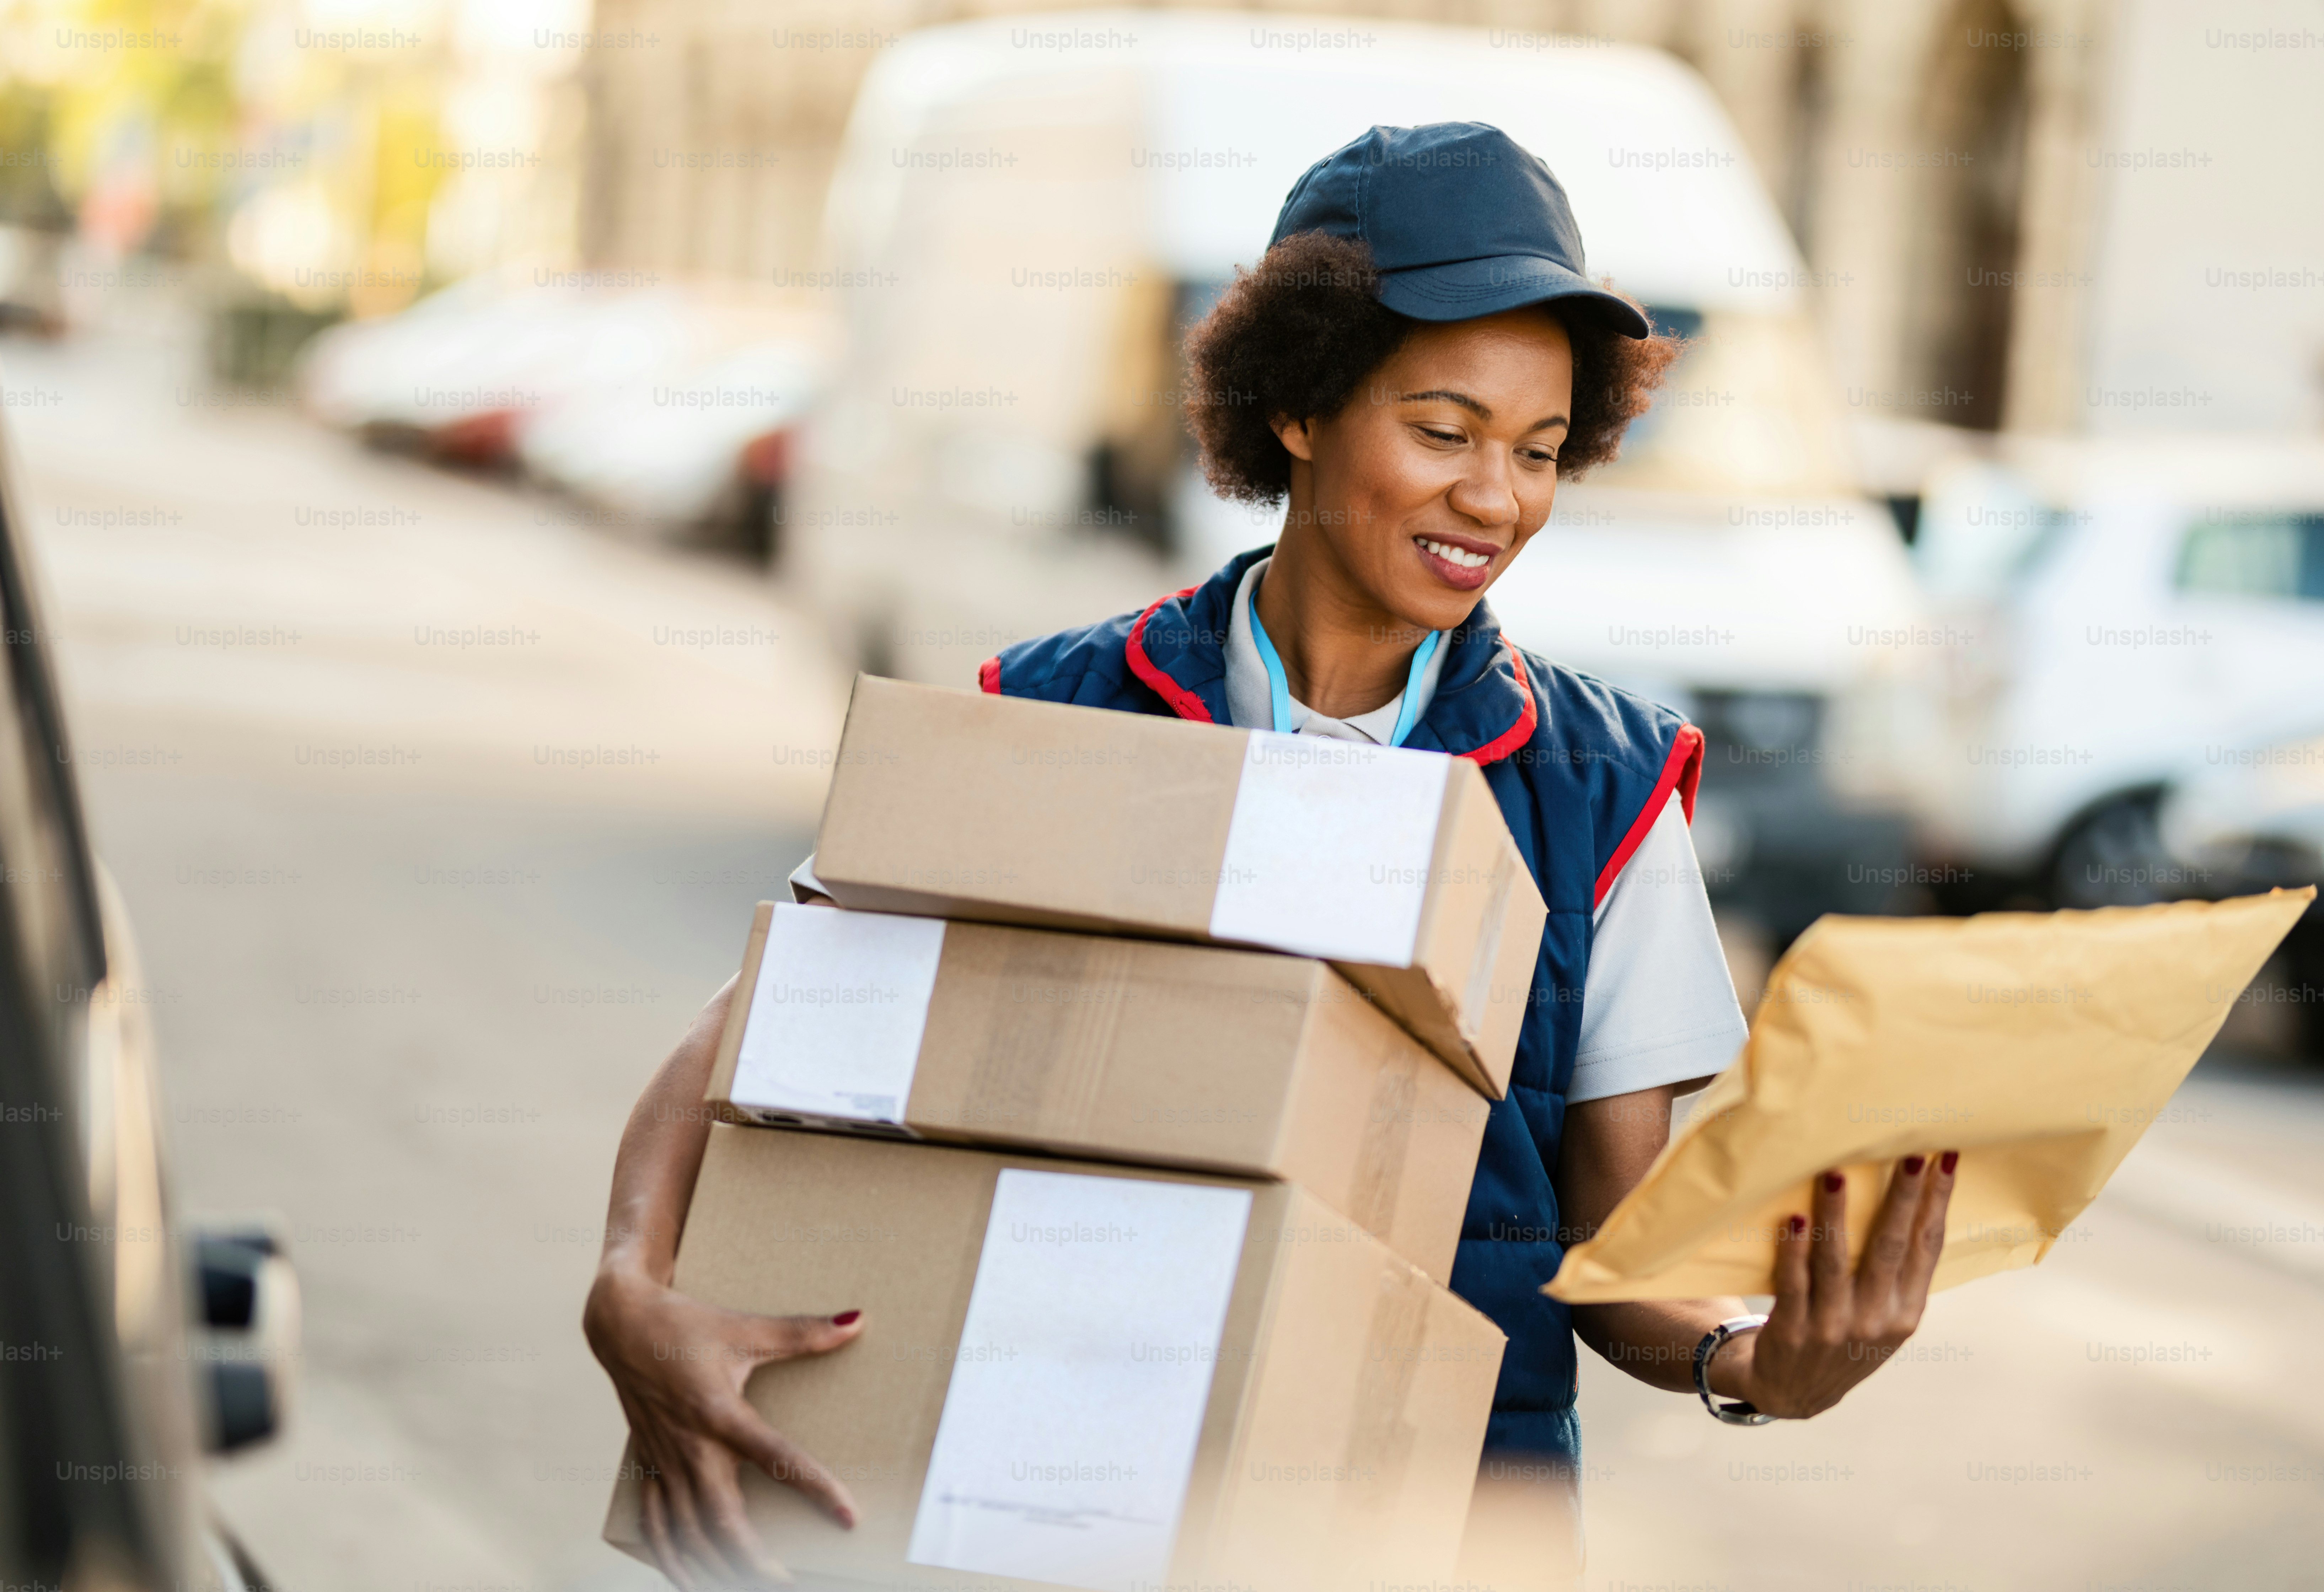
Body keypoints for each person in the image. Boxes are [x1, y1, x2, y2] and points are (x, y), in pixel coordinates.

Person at [583, 122, 1958, 1590]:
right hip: (1043, 1516)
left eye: (1541, 451)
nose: (1496, 500)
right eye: (1443, 431)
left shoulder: (1606, 791)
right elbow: (764, 1024)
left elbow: (1618, 1262)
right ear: (1300, 404)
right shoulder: (1056, 713)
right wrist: (628, 1287)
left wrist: (1753, 1362)